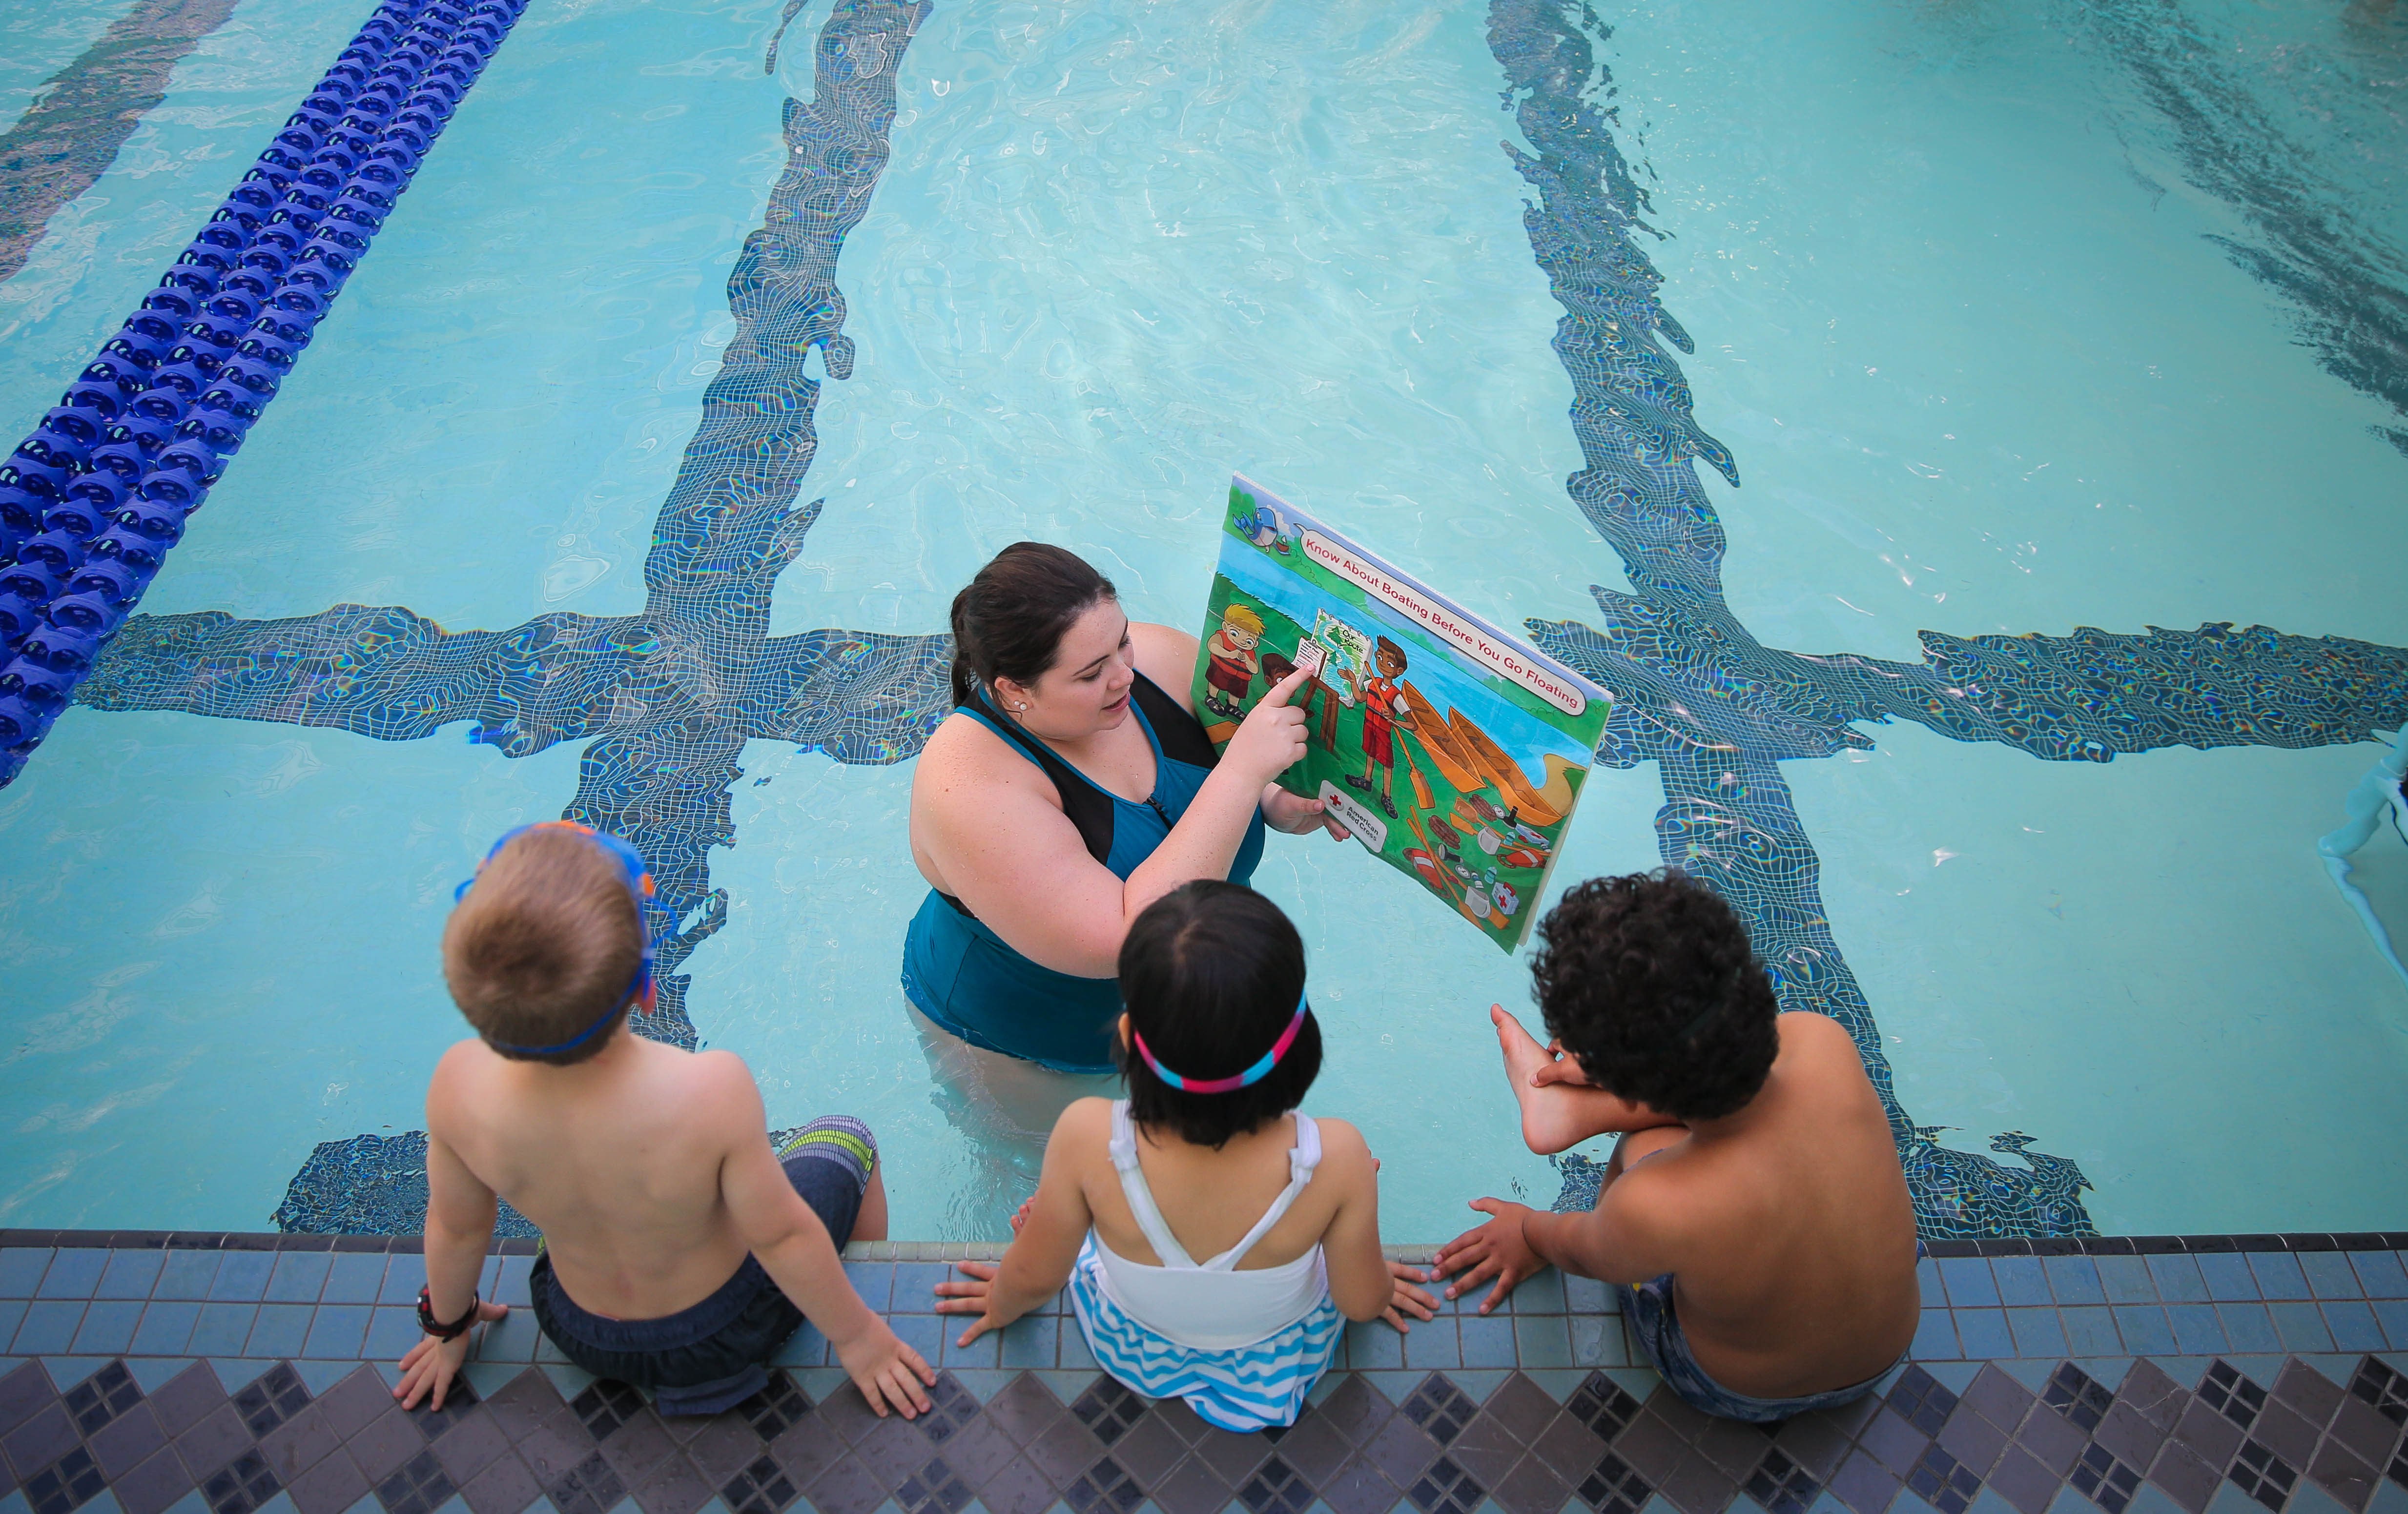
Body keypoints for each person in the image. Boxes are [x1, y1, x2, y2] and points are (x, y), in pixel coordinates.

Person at [395, 821, 935, 1419]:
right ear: (648, 988)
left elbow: (458, 1229)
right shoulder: (710, 1088)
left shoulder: (456, 1088)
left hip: (580, 1330)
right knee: (846, 1138)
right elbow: (780, 1237)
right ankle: (868, 1290)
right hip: (728, 1330)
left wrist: (447, 1331)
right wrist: (858, 1339)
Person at [929, 882, 1437, 1432]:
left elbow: (1033, 1278)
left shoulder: (1088, 1138)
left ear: (1128, 1034)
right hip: (1273, 1361)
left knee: (1061, 1221)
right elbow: (1361, 1304)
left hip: (1134, 1348)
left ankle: (1080, 1220)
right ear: (1298, 1043)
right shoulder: (1335, 1156)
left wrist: (1002, 1303)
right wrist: (1365, 1262)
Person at [1427, 871, 1920, 1423]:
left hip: (1743, 1388)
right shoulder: (1822, 1041)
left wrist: (1525, 1231)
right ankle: (1568, 1112)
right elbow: (1724, 1084)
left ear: (1622, 1083)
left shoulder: (1659, 1204)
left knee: (1645, 1152)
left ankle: (1564, 1112)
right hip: (1887, 1352)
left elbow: (1585, 1251)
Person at [904, 543, 1348, 1081]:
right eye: (1091, 674)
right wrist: (1242, 777)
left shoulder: (1158, 664)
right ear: (1014, 689)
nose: (1124, 677)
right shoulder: (968, 782)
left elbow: (1226, 765)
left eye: (1122, 642)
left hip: (1201, 1002)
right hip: (1028, 1047)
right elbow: (1129, 937)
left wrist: (1272, 801)